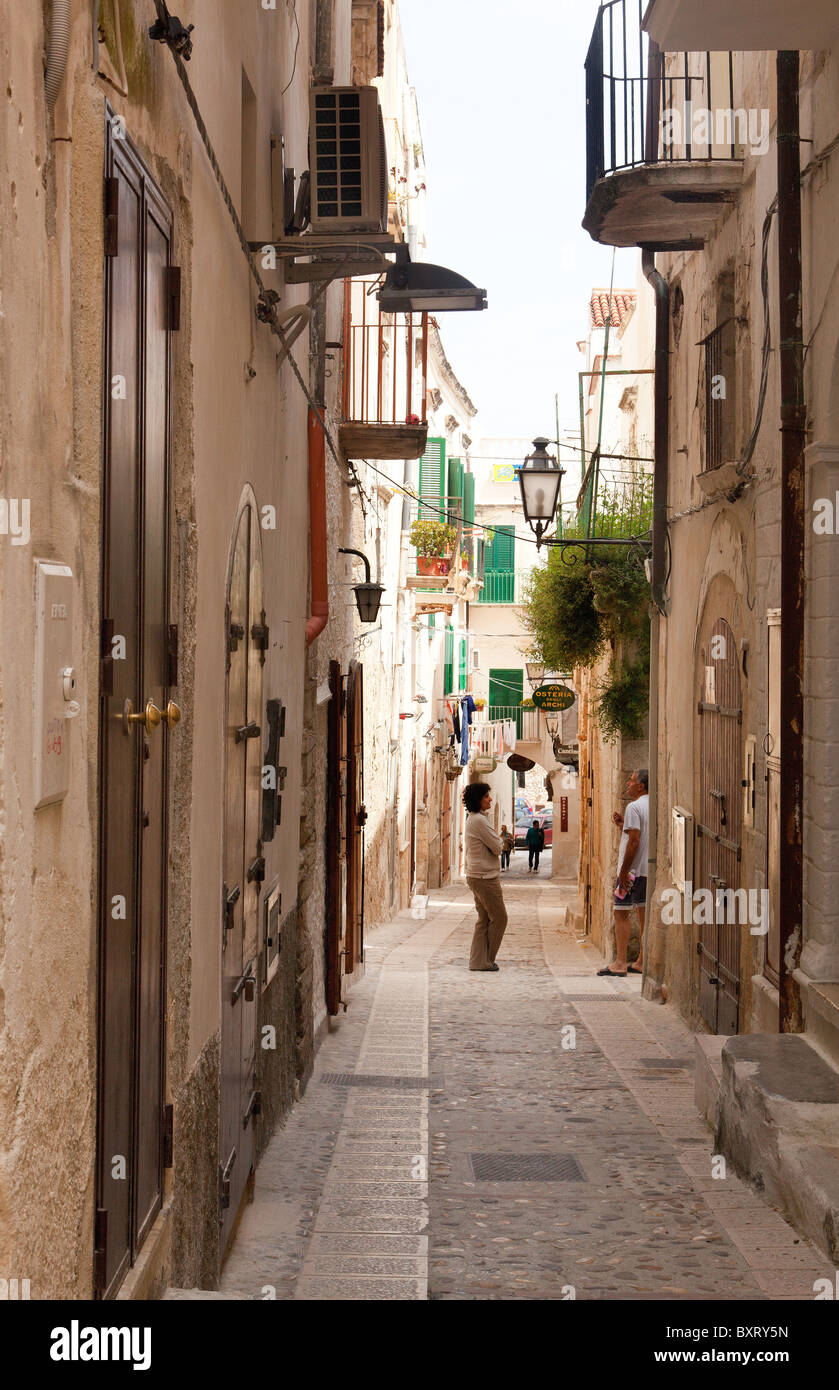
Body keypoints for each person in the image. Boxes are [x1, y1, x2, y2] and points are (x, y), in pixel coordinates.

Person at [598, 768, 649, 977]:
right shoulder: (654, 804)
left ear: (642, 786)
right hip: (647, 870)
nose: (628, 783)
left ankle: (619, 963)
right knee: (643, 915)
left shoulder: (634, 807)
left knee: (620, 913)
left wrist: (623, 872)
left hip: (632, 872)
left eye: (632, 780)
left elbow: (634, 841)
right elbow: (640, 834)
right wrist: (623, 826)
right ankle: (641, 961)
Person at [462, 782, 508, 972]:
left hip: (476, 875)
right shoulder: (479, 821)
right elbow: (498, 847)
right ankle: (486, 960)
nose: (490, 799)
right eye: (486, 796)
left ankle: (478, 961)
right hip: (485, 878)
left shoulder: (475, 819)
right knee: (500, 918)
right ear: (478, 800)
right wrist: (501, 840)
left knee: (484, 919)